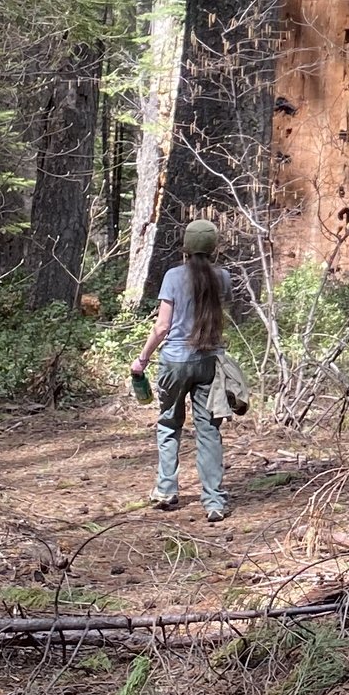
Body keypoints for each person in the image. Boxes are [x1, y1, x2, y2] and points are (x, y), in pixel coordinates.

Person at [131, 217, 244, 521]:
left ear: (186, 249)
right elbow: (222, 314)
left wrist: (142, 359)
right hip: (209, 362)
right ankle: (214, 502)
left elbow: (162, 326)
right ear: (213, 250)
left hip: (175, 362)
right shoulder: (223, 278)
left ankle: (167, 489)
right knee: (208, 430)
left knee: (169, 423)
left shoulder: (172, 277)